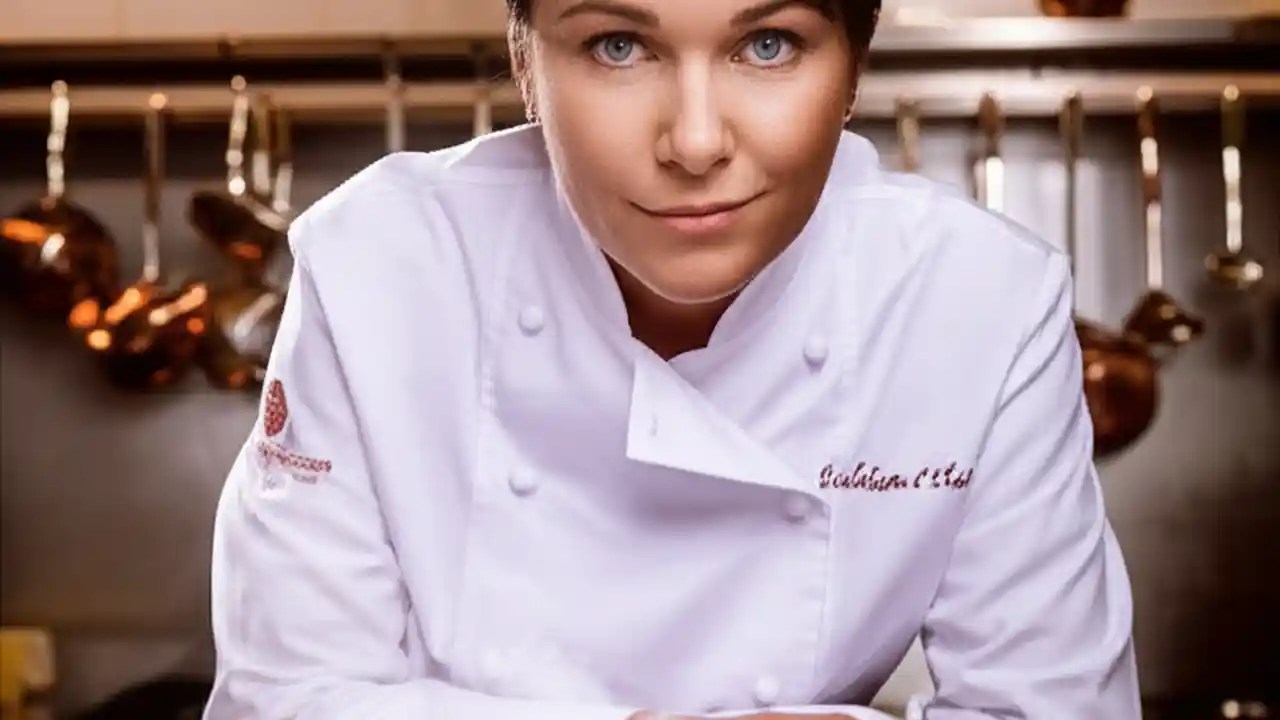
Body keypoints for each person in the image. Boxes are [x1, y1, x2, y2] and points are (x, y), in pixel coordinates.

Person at [203, 0, 1142, 718]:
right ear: (526, 62)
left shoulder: (979, 300)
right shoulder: (384, 267)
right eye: (619, 45)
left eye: (767, 44)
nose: (695, 143)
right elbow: (289, 698)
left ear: (853, 68)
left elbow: (1054, 704)